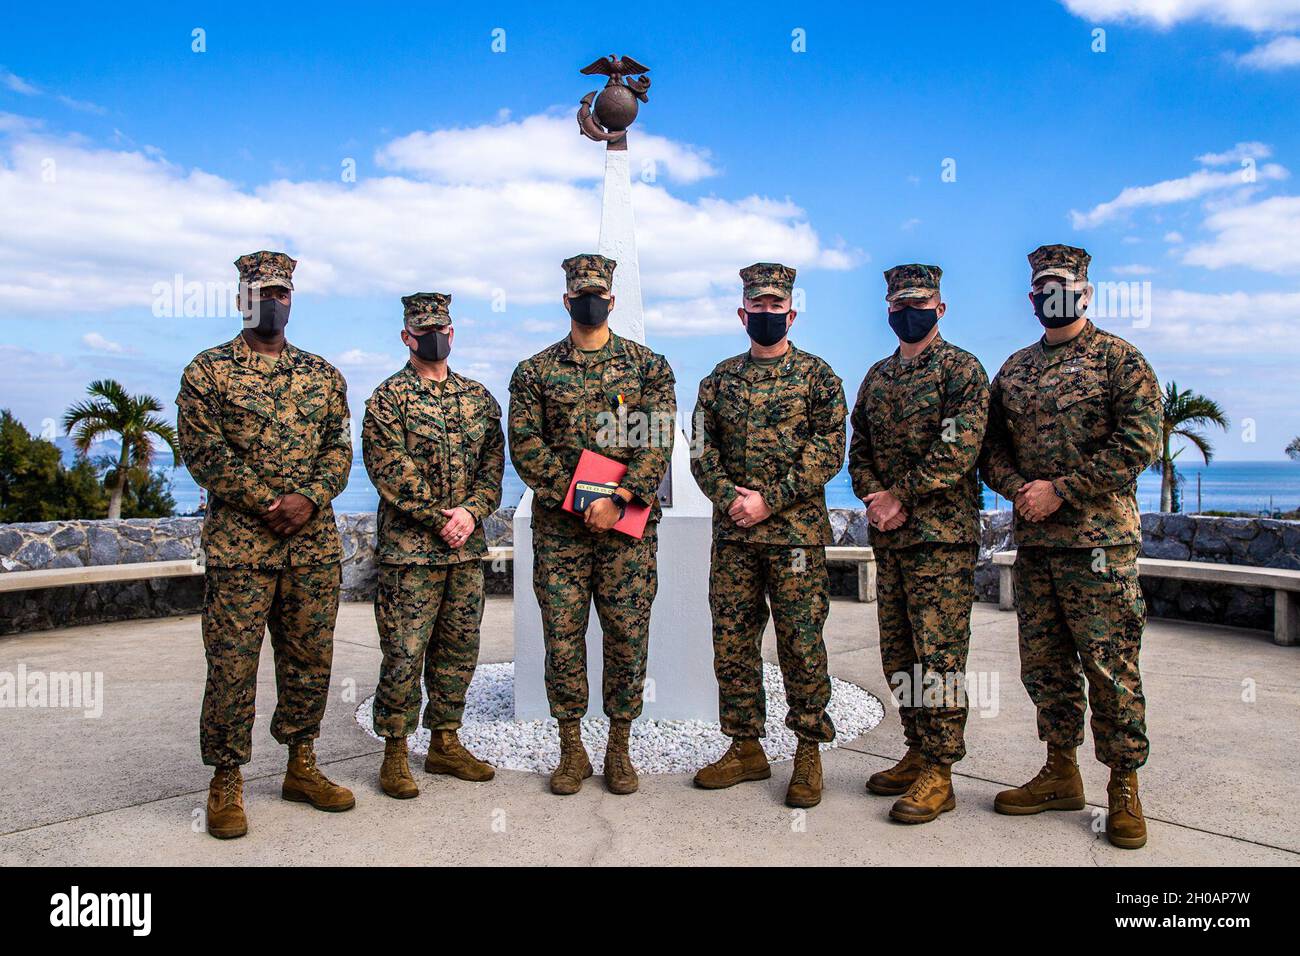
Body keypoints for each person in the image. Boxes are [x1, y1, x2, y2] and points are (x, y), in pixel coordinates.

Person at [980, 243, 1161, 849]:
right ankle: (1060, 771)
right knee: (1047, 667)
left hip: (1099, 545)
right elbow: (991, 450)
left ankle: (1124, 786)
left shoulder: (1119, 360)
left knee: (1110, 667)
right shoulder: (1015, 369)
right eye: (1041, 288)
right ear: (1031, 298)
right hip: (1037, 547)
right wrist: (1019, 491)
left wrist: (1062, 490)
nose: (1051, 296)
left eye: (1063, 286)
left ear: (1085, 292)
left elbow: (1139, 444)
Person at [176, 251, 354, 839]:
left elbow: (339, 450)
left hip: (311, 548)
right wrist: (267, 502)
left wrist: (308, 496)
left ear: (291, 300)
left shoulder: (324, 375)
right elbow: (205, 453)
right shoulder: (208, 372)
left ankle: (301, 764)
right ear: (240, 301)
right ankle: (226, 780)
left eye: (280, 293)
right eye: (259, 293)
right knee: (231, 664)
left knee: (309, 660)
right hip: (241, 550)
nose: (271, 302)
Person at [508, 254, 676, 796]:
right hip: (562, 533)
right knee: (562, 639)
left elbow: (658, 437)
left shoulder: (649, 366)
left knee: (628, 637)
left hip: (628, 533)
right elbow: (526, 445)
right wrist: (580, 500)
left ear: (612, 299)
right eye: (581, 293)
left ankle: (619, 748)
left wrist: (621, 497)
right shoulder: (533, 371)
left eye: (598, 293)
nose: (590, 300)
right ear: (567, 301)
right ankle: (571, 748)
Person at [690, 262, 847, 809]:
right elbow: (698, 449)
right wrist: (731, 498)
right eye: (756, 308)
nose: (766, 315)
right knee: (732, 644)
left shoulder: (819, 378)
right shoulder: (719, 380)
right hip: (734, 537)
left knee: (801, 643)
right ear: (742, 314)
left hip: (795, 540)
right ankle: (745, 747)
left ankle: (807, 750)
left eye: (775, 308)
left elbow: (828, 450)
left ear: (791, 313)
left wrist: (769, 500)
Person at [848, 263, 988, 823]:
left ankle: (942, 769)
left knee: (940, 658)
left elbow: (959, 448)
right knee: (899, 653)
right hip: (893, 543)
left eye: (920, 301)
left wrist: (899, 496)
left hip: (941, 542)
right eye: (900, 303)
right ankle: (915, 749)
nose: (910, 311)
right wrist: (874, 496)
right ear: (888, 310)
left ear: (940, 307)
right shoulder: (878, 378)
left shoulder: (962, 371)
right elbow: (858, 449)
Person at [363, 292, 505, 798]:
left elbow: (493, 467)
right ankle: (396, 752)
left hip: (464, 551)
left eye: (442, 327)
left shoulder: (478, 398)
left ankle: (445, 741)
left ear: (453, 331)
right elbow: (388, 469)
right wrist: (436, 517)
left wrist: (470, 512)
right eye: (423, 329)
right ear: (407, 336)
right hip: (411, 554)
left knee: (458, 649)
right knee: (403, 652)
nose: (434, 336)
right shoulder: (388, 399)